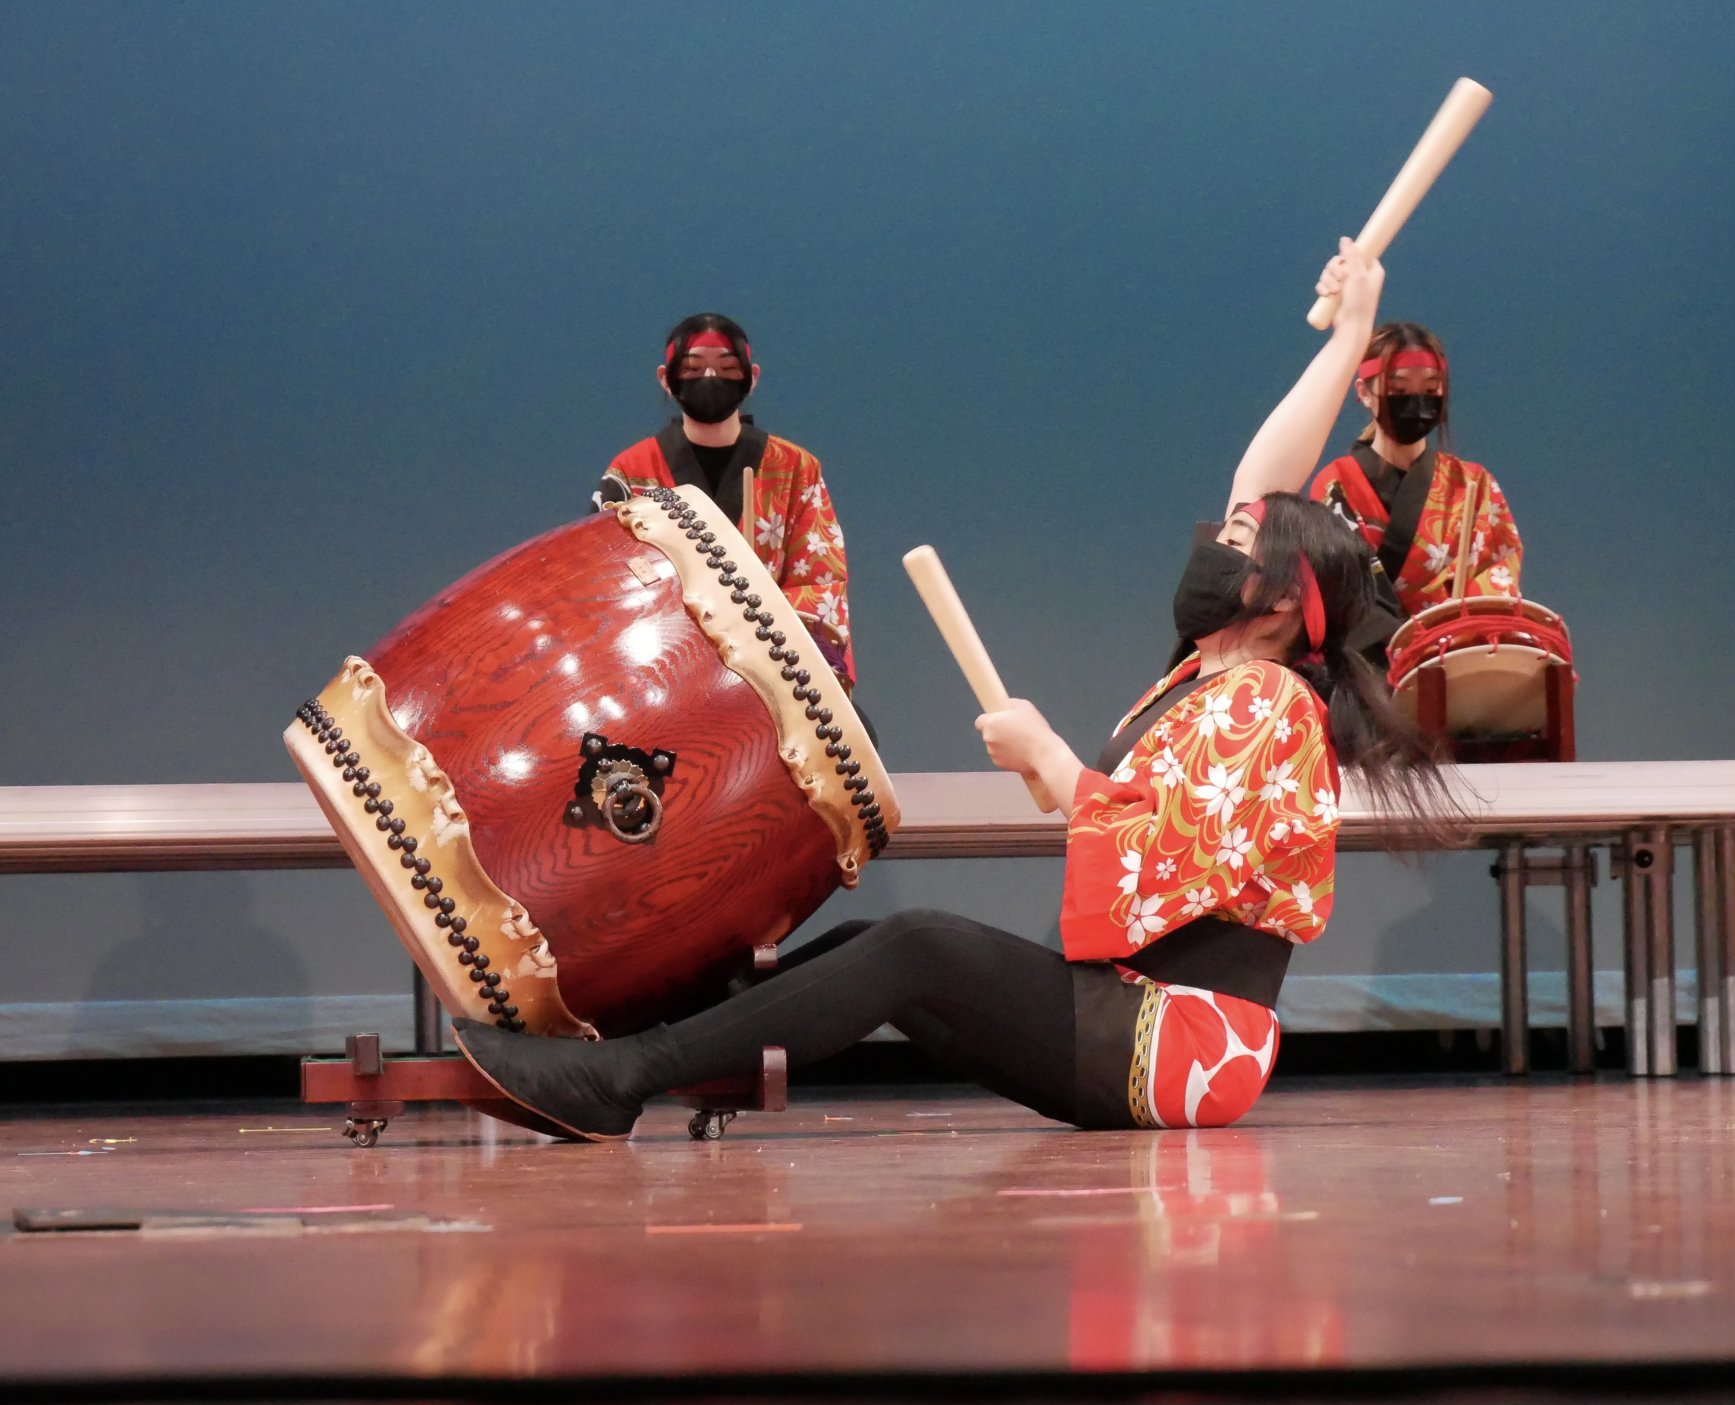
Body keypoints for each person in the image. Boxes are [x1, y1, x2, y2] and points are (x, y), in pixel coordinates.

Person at [456, 242, 1448, 1138]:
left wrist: (1054, 762)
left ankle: (619, 1079)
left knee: (918, 943)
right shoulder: (1207, 676)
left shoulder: (1272, 705)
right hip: (1131, 1011)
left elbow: (1171, 852)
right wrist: (1351, 331)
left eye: (1238, 543)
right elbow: (1263, 475)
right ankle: (624, 1058)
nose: (1216, 541)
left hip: (1184, 1038)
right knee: (874, 945)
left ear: (1279, 598)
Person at [600, 313, 856, 687]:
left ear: (752, 377)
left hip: (770, 668)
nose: (709, 378)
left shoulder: (795, 468)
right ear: (665, 379)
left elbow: (819, 583)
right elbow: (608, 584)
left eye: (726, 367)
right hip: (661, 669)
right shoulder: (631, 471)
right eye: (692, 368)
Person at [1293, 323, 1523, 662]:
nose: (1417, 404)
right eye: (1399, 391)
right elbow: (1346, 593)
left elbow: (1494, 579)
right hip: (1368, 670)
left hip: (1455, 663)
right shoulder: (1336, 483)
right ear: (1363, 392)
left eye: (1431, 390)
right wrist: (1411, 654)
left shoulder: (1473, 484)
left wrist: (1465, 644)